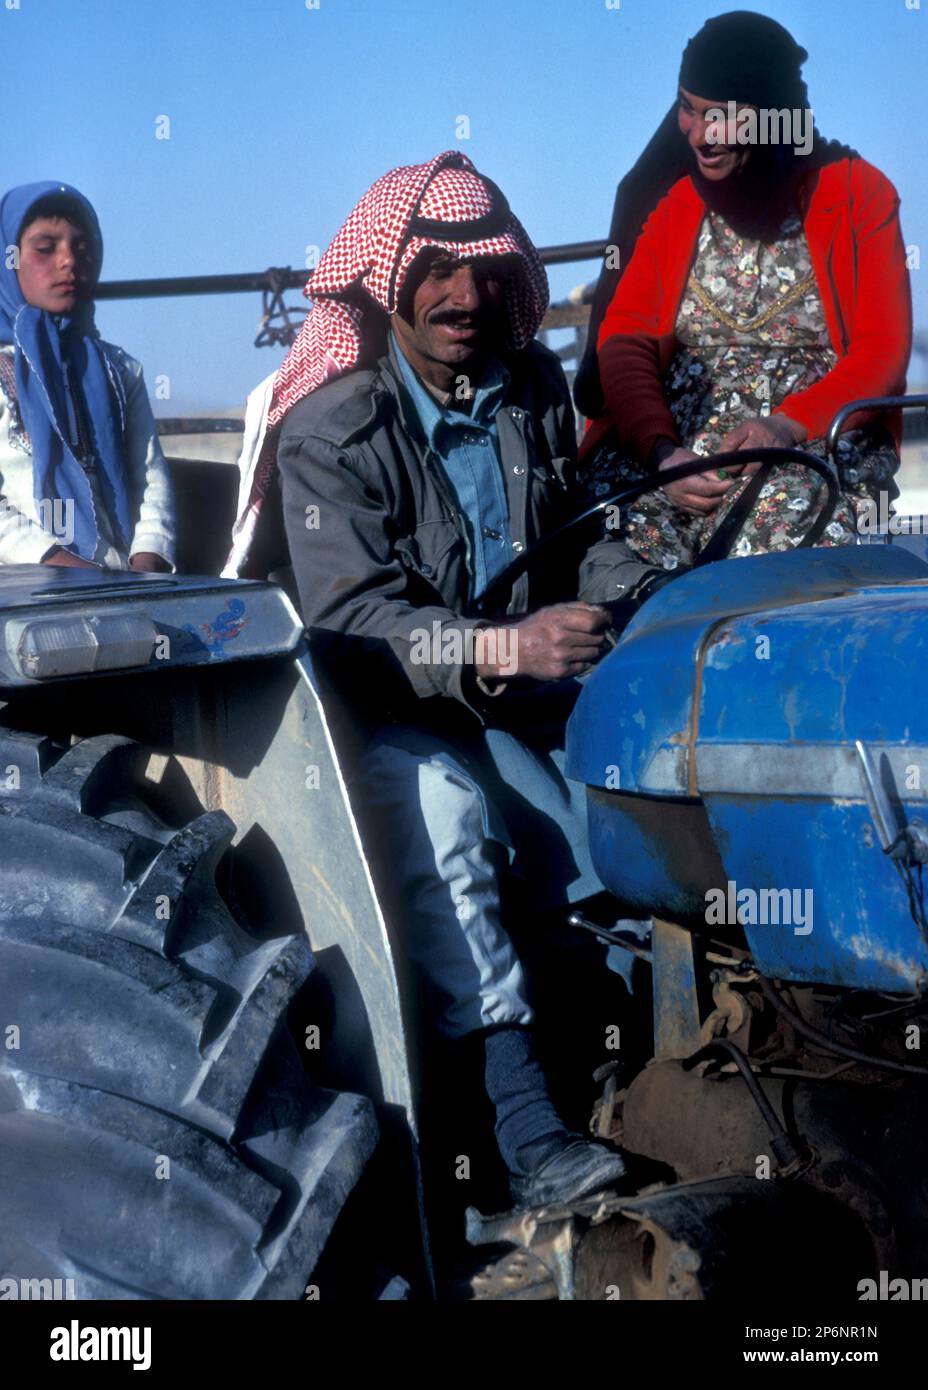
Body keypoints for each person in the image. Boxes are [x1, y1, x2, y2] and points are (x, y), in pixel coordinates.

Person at [237, 151, 635, 1210]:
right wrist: (505, 647)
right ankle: (520, 1130)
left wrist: (638, 588)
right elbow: (355, 621)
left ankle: (636, 1061)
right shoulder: (331, 429)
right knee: (452, 819)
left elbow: (575, 538)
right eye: (439, 273)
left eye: (488, 273)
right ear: (387, 279)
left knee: (641, 781)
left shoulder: (532, 390)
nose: (466, 297)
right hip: (382, 712)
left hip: (522, 696)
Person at [575, 10, 912, 582]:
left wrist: (786, 427)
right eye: (688, 108)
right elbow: (625, 341)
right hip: (672, 450)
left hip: (808, 449)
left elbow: (882, 353)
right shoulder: (674, 203)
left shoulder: (860, 195)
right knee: (617, 554)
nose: (699, 134)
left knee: (769, 568)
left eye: (723, 116)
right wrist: (661, 453)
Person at [0, 182, 175, 571]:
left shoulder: (119, 370)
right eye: (46, 248)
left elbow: (150, 478)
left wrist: (145, 567)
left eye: (83, 248)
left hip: (121, 578)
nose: (69, 262)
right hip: (21, 586)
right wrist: (62, 565)